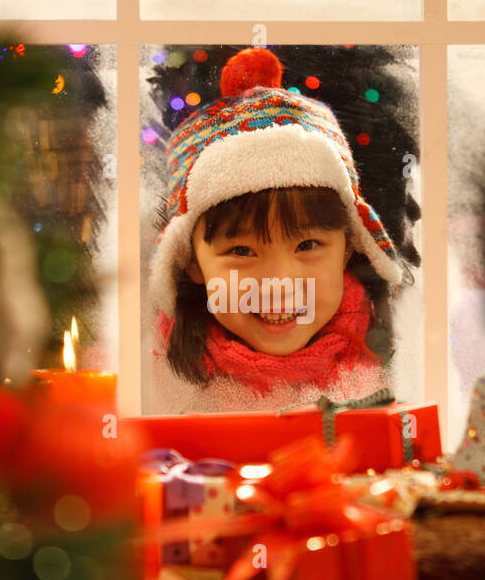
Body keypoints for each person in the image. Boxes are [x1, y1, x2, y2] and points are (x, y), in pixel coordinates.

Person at [147, 47, 408, 413]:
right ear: (191, 261)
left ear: (348, 247)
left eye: (307, 245)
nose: (279, 283)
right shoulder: (149, 382)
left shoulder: (400, 365)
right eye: (241, 251)